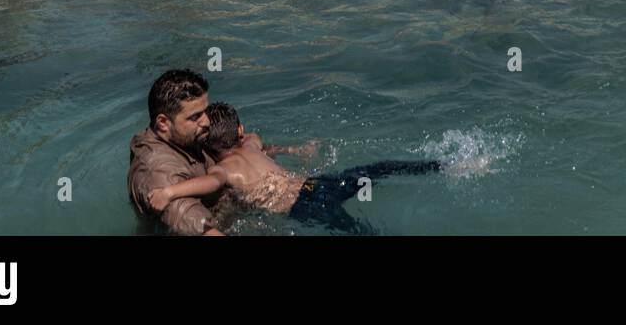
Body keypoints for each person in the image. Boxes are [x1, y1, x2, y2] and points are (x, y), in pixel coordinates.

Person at [148, 102, 442, 235]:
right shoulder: (251, 142)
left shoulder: (225, 171)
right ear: (240, 130)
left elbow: (210, 184)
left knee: (358, 231)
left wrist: (169, 191)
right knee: (378, 169)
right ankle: (440, 166)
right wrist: (293, 150)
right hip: (318, 184)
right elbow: (263, 147)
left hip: (304, 207)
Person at [128, 69, 226, 236]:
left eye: (206, 111)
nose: (207, 121)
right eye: (195, 117)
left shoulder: (184, 136)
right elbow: (192, 221)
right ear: (164, 123)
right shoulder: (158, 175)